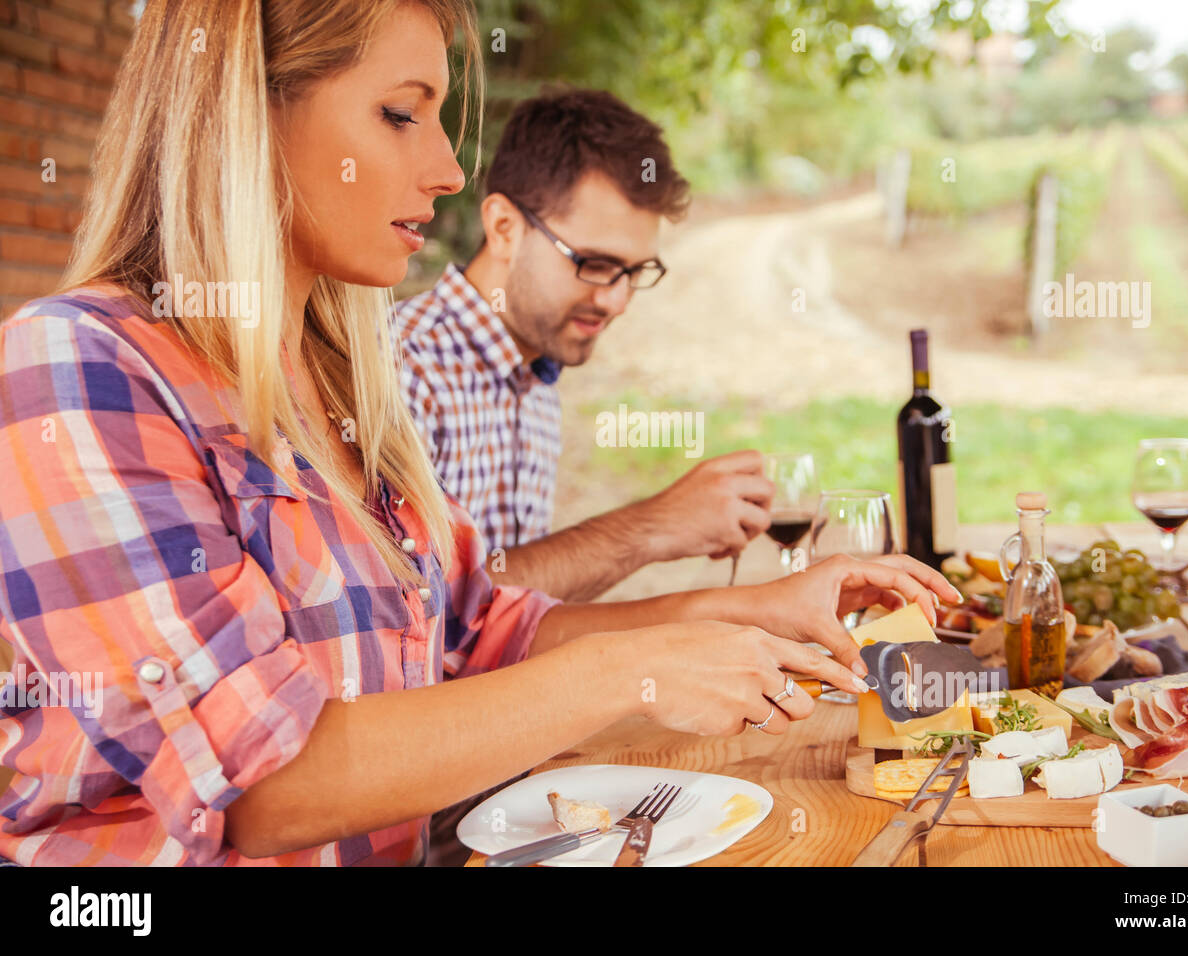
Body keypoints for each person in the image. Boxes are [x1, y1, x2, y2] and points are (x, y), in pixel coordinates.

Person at [0, 0, 959, 866]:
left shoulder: (342, 383)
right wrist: (636, 670)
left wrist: (754, 609)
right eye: (400, 113)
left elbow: (484, 630)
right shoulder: (76, 366)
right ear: (248, 114)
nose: (450, 169)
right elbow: (262, 785)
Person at [395, 89, 772, 602]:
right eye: (594, 264)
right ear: (504, 228)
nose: (616, 300)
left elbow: (515, 619)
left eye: (635, 272)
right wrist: (653, 527)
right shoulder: (402, 371)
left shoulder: (537, 373)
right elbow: (419, 611)